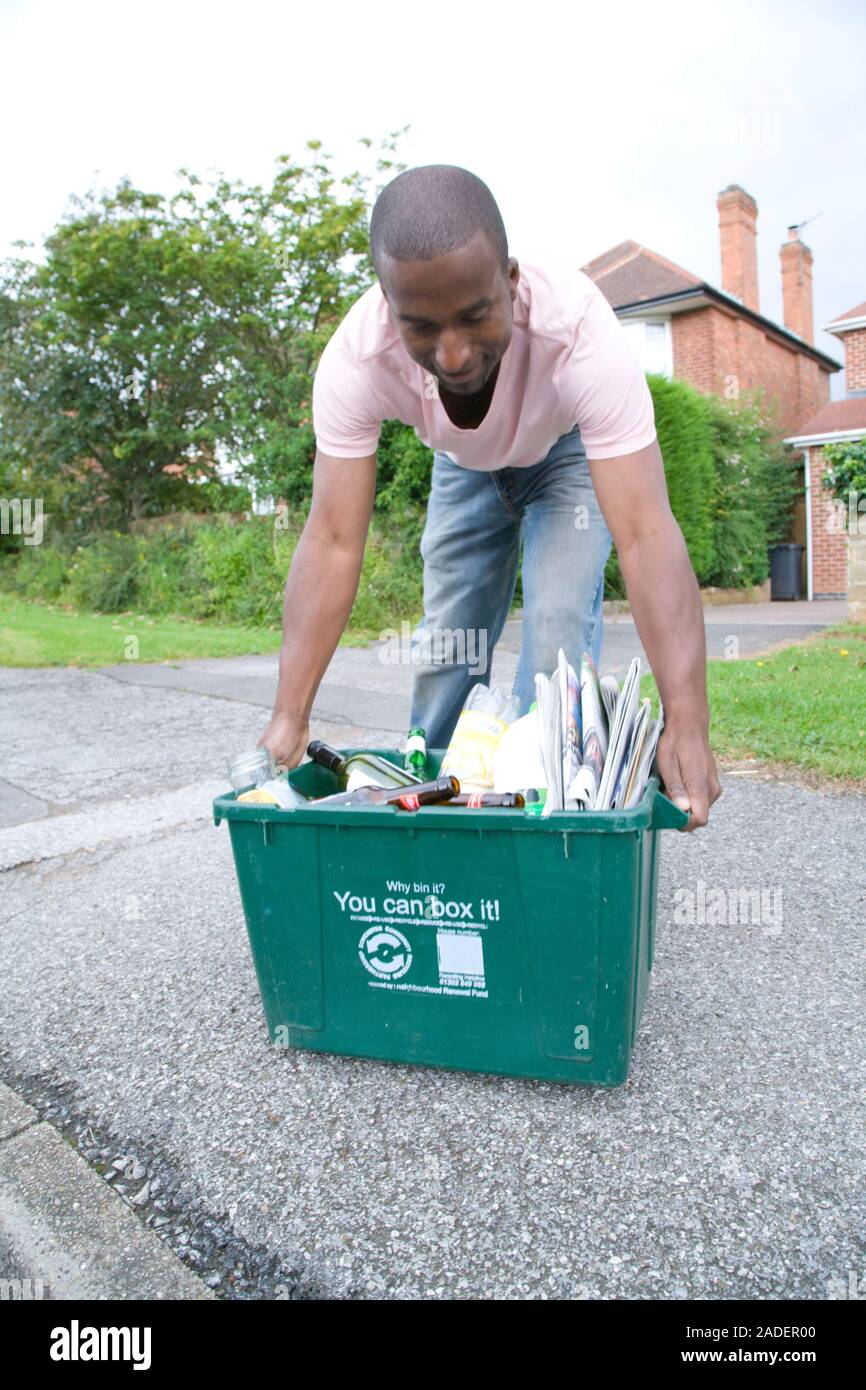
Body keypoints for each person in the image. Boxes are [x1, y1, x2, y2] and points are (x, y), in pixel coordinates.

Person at [260, 165, 721, 830]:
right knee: (449, 647)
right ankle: (435, 824)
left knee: (558, 638)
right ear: (390, 311)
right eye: (421, 326)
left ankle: (545, 837)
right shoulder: (356, 359)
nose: (451, 355)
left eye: (475, 316)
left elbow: (647, 532)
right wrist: (288, 716)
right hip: (462, 469)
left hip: (564, 461)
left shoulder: (581, 332)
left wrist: (688, 719)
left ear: (510, 284)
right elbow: (332, 541)